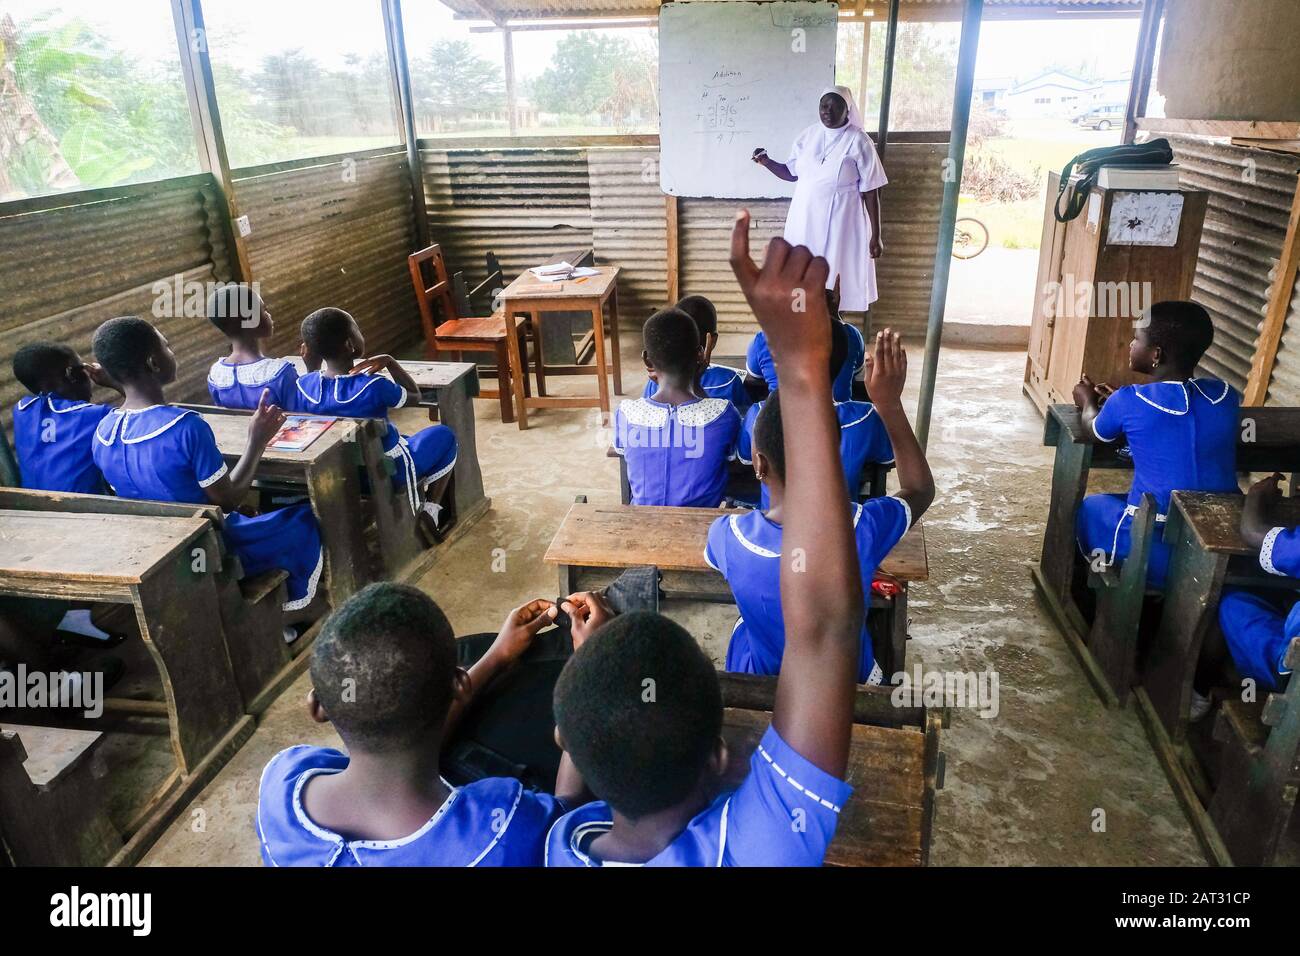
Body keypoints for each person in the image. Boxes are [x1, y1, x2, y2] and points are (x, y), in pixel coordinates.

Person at [544, 211, 899, 866]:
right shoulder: (762, 845)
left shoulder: (541, 845)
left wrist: (584, 670)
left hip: (655, 521)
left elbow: (562, 805)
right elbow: (823, 629)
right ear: (724, 758)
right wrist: (804, 366)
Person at [256, 582, 587, 866]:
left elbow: (391, 748)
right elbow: (567, 816)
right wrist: (585, 676)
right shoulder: (501, 829)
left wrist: (497, 656)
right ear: (459, 683)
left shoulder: (281, 785)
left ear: (317, 706)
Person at [710, 327, 930, 684]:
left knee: (745, 624)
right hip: (845, 683)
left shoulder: (728, 536)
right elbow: (919, 489)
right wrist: (889, 404)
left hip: (766, 679)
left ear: (759, 464)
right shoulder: (860, 528)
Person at [90, 316, 324, 619]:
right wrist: (258, 439)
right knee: (305, 519)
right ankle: (286, 618)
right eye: (167, 346)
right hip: (213, 548)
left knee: (255, 513)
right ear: (153, 363)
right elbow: (228, 499)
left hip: (160, 552)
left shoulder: (103, 432)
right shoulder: (186, 427)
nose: (171, 352)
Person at [1073, 301, 1240, 588]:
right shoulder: (1225, 395)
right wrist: (1120, 403)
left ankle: (1088, 594)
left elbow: (1095, 431)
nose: (1130, 344)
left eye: (1137, 338)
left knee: (1091, 507)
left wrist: (1087, 400)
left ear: (1156, 354)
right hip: (1218, 544)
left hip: (1153, 549)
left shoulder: (1129, 399)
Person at [292, 307, 457, 533]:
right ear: (350, 345)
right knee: (445, 436)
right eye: (357, 329)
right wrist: (390, 361)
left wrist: (312, 367)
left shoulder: (304, 386)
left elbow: (314, 391)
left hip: (342, 473)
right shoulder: (374, 385)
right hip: (387, 470)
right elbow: (415, 396)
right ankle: (431, 509)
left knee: (407, 438)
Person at [751, 85, 887, 314]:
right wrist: (766, 162)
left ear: (848, 110)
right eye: (824, 105)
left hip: (842, 220)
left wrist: (876, 235)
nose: (828, 111)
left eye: (836, 106)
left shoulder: (859, 141)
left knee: (836, 275)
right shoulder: (809, 135)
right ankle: (804, 327)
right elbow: (791, 172)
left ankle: (835, 327)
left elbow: (871, 191)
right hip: (805, 218)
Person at [736, 316, 892, 509]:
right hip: (841, 527)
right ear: (843, 360)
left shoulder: (758, 414)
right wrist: (889, 403)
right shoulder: (865, 418)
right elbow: (887, 460)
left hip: (772, 531)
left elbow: (744, 459)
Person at [615, 306, 741, 507]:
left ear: (647, 360)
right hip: (702, 533)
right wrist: (697, 383)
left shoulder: (626, 414)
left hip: (642, 527)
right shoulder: (724, 415)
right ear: (700, 353)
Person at [1213, 474, 1297, 709]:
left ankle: (1202, 688)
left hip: (1290, 675)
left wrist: (1256, 496)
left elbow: (1252, 532)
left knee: (1232, 600)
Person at [11, 341, 117, 494]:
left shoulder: (21, 410)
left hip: (33, 511)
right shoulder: (95, 415)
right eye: (83, 369)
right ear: (71, 375)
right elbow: (143, 414)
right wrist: (114, 381)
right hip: (83, 513)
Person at [745, 285, 865, 402]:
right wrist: (835, 318)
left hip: (781, 416)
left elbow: (755, 374)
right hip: (841, 417)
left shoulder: (764, 338)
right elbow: (856, 369)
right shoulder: (850, 335)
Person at [640, 294, 749, 411]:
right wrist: (695, 383)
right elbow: (745, 419)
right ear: (712, 341)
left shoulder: (656, 382)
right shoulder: (729, 381)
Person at [205, 283, 299, 410]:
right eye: (264, 310)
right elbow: (302, 417)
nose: (269, 315)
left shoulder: (216, 375)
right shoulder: (280, 372)